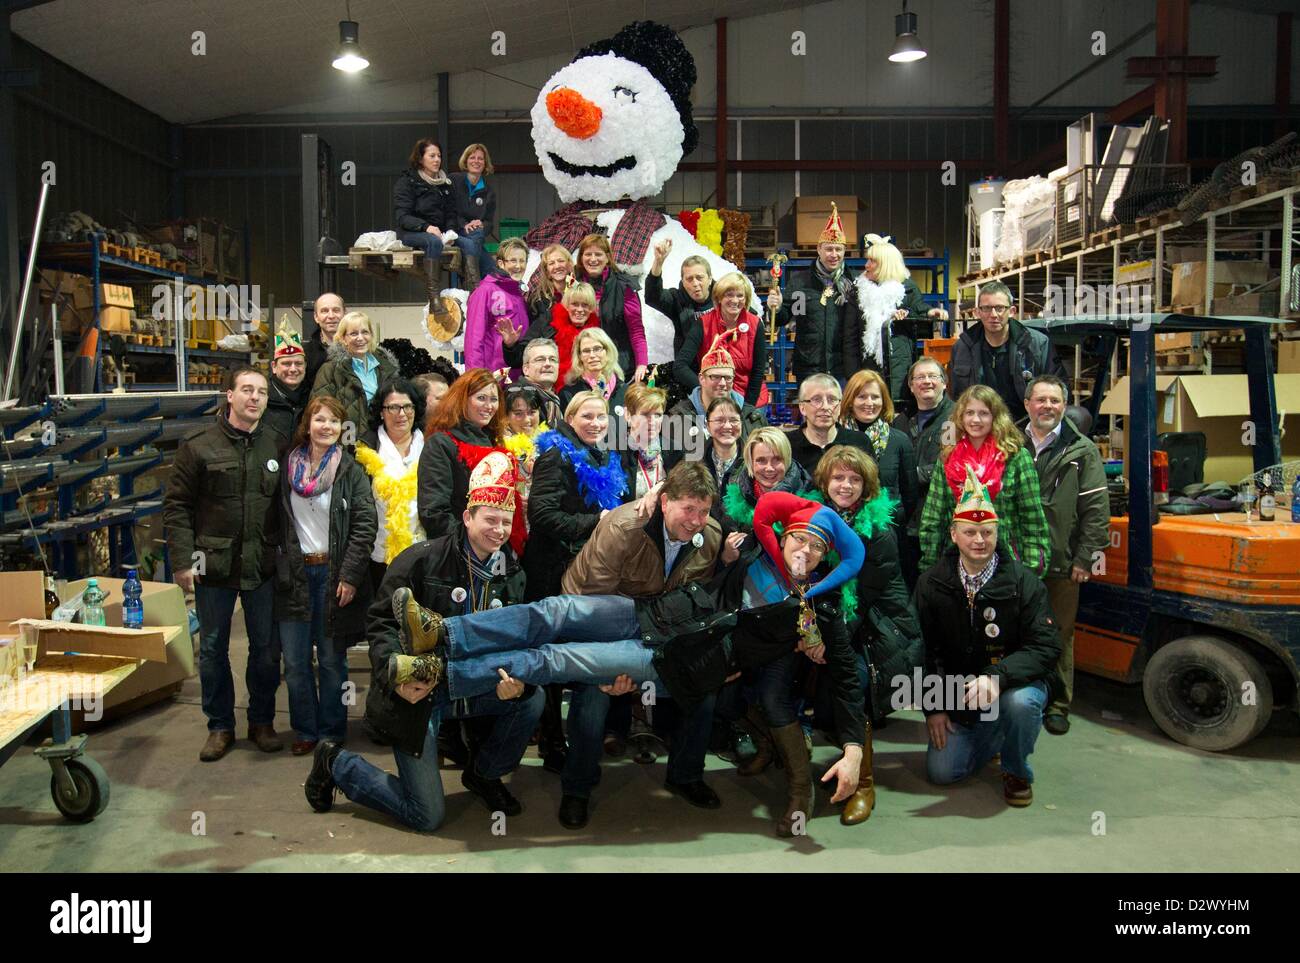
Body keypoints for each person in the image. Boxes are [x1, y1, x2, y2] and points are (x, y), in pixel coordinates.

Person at [304, 453, 546, 830]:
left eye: (505, 521)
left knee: (532, 699)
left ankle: (484, 773)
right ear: (467, 517)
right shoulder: (421, 560)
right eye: (490, 520)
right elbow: (381, 621)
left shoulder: (513, 575)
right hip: (420, 694)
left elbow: (515, 639)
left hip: (474, 685)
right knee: (426, 816)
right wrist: (397, 677)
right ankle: (337, 763)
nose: (498, 530)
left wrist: (514, 682)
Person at [554, 461, 726, 830]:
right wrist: (617, 664)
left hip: (658, 632)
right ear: (664, 502)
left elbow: (693, 603)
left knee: (702, 686)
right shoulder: (621, 528)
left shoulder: (710, 537)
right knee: (593, 695)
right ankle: (577, 788)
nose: (696, 520)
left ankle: (685, 775)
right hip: (598, 622)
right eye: (688, 509)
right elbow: (590, 606)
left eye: (704, 510)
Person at [918, 468, 1062, 807]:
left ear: (998, 533)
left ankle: (1016, 770)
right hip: (961, 697)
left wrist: (998, 677)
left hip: (1012, 684)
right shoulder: (931, 583)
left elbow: (1046, 646)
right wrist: (934, 707)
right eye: (970, 532)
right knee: (943, 773)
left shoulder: (1024, 582)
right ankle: (996, 735)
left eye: (987, 532)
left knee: (1021, 704)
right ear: (953, 534)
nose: (979, 541)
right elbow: (925, 649)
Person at [162, 366, 283, 762]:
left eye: (262, 392)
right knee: (213, 649)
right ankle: (219, 726)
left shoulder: (276, 445)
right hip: (213, 565)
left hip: (262, 565)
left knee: (265, 650)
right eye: (247, 390)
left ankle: (262, 721)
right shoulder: (198, 445)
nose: (255, 398)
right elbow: (177, 506)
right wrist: (182, 561)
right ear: (228, 395)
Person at [525, 390, 627, 774]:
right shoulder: (556, 453)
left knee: (579, 652)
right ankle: (552, 742)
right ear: (570, 417)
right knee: (551, 656)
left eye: (601, 417)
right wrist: (594, 524)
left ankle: (583, 735)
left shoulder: (603, 454)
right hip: (553, 571)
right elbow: (542, 512)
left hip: (587, 572)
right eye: (587, 416)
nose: (596, 423)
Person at [273, 397, 377, 755]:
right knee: (298, 661)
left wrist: (349, 576)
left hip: (333, 574)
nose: (327, 426)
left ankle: (332, 731)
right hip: (295, 576)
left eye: (334, 421)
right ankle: (304, 729)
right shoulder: (287, 465)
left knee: (332, 659)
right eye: (320, 419)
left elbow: (365, 525)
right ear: (308, 422)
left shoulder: (350, 470)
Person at [805, 446, 921, 738]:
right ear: (824, 483)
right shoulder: (813, 519)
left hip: (876, 624)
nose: (846, 485)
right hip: (836, 615)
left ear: (866, 486)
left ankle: (860, 760)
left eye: (855, 479)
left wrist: (825, 639)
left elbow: (861, 598)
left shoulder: (878, 532)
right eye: (838, 477)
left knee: (843, 691)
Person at [1021, 375, 1109, 735]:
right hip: (1017, 559)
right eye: (1040, 400)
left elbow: (1096, 508)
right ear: (1027, 404)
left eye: (1055, 401)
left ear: (1064, 406)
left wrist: (1085, 557)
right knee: (1015, 633)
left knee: (1059, 634)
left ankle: (1057, 704)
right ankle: (1022, 698)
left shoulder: (1082, 450)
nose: (1047, 407)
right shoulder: (1011, 443)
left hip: (1061, 561)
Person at [917, 384, 1051, 576]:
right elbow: (933, 517)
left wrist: (1031, 573)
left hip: (1007, 566)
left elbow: (1033, 520)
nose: (976, 419)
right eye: (969, 413)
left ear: (996, 417)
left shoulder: (1016, 457)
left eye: (984, 413)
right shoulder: (948, 456)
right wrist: (930, 568)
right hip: (956, 566)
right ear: (960, 418)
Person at [841, 233, 948, 403]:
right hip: (868, 370)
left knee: (899, 416)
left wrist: (927, 314)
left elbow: (918, 311)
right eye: (867, 260)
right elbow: (849, 337)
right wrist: (853, 376)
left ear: (886, 265)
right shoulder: (858, 291)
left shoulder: (907, 288)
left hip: (900, 370)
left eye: (872, 261)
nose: (866, 265)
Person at [418, 368, 507, 541]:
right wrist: (473, 542)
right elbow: (433, 513)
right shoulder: (441, 443)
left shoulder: (494, 442)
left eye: (494, 399)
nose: (489, 406)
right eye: (481, 398)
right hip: (458, 549)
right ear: (462, 400)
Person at [950, 280, 1065, 414]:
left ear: (1011, 311)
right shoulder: (963, 347)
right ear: (977, 313)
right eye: (986, 308)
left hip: (1026, 420)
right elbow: (956, 396)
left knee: (1078, 416)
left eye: (999, 308)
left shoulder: (1037, 343)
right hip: (980, 422)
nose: (993, 315)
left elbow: (1058, 385)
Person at [355, 379, 427, 591]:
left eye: (407, 406)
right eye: (393, 407)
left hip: (424, 551)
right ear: (381, 411)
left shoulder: (432, 444)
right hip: (379, 554)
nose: (401, 414)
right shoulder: (365, 448)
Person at [768, 203, 853, 382]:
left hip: (842, 368)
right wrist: (776, 306)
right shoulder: (800, 283)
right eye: (829, 249)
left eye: (839, 249)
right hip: (808, 367)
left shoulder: (852, 284)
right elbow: (784, 318)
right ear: (818, 249)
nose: (834, 254)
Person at [839, 369, 917, 537]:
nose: (869, 403)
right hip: (843, 531)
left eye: (875, 397)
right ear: (850, 400)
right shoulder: (837, 438)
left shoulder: (900, 440)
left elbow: (910, 494)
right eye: (861, 396)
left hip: (888, 532)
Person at [393, 137, 460, 331]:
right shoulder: (407, 182)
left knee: (467, 243)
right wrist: (425, 227)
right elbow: (402, 216)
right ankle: (434, 300)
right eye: (432, 155)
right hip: (412, 232)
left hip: (439, 235)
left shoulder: (444, 184)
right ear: (420, 159)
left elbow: (451, 213)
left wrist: (451, 232)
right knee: (433, 242)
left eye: (439, 155)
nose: (437, 159)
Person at [673, 271, 768, 407]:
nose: (735, 300)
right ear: (719, 298)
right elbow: (680, 366)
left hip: (750, 400)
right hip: (711, 402)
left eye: (740, 295)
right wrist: (705, 389)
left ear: (746, 299)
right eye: (729, 295)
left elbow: (758, 371)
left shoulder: (755, 324)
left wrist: (747, 408)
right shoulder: (703, 324)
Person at [310, 311, 400, 439]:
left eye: (365, 332)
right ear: (343, 338)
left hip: (383, 440)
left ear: (371, 335)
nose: (360, 338)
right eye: (353, 333)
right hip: (347, 442)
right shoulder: (330, 369)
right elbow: (318, 409)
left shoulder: (386, 368)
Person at [574, 233, 647, 383]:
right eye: (588, 254)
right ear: (581, 258)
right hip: (583, 367)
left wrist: (642, 363)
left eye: (598, 254)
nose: (593, 259)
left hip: (619, 367)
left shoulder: (623, 286)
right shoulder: (573, 285)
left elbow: (636, 330)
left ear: (608, 258)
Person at [665, 338, 766, 441]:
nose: (722, 383)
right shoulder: (678, 419)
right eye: (715, 377)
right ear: (701, 379)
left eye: (727, 378)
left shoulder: (751, 419)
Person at [504, 282, 598, 390]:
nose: (580, 310)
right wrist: (511, 346)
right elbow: (519, 359)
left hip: (583, 391)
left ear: (591, 308)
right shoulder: (547, 322)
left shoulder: (596, 331)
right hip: (549, 390)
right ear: (566, 305)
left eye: (585, 305)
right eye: (575, 304)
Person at [719, 426, 810, 532]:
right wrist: (728, 548)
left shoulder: (808, 495)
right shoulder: (732, 496)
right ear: (750, 463)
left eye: (777, 459)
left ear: (787, 460)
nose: (769, 468)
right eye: (761, 460)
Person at [785, 373, 873, 478]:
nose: (825, 407)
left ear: (840, 406)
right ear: (802, 407)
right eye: (816, 400)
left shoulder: (859, 442)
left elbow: (872, 486)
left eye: (832, 400)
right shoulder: (786, 444)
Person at [464, 238, 530, 376]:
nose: (518, 266)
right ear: (501, 263)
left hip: (517, 375)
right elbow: (474, 339)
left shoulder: (520, 292)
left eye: (522, 261)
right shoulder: (485, 291)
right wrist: (475, 377)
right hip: (493, 376)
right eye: (513, 260)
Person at [645, 238, 714, 355]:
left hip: (721, 365)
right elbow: (653, 296)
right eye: (689, 279)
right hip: (689, 366)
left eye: (700, 277)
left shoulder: (723, 296)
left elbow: (749, 316)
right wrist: (658, 262)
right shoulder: (677, 300)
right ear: (683, 281)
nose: (695, 283)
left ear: (710, 279)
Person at [616, 383, 683, 501]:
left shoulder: (674, 450)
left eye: (658, 415)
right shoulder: (615, 452)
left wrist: (661, 487)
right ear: (628, 415)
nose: (652, 421)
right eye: (645, 414)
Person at [449, 142, 497, 289]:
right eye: (472, 157)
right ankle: (475, 287)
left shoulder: (489, 191)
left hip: (475, 236)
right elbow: (448, 210)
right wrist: (464, 224)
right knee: (492, 271)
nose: (476, 161)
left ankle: (472, 286)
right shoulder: (454, 180)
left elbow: (489, 222)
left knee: (476, 236)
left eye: (480, 158)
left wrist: (482, 224)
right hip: (455, 233)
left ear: (485, 163)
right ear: (466, 160)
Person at [501, 383, 550, 527]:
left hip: (544, 522)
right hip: (510, 523)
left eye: (532, 412)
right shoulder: (497, 448)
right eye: (518, 413)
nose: (527, 420)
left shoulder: (551, 443)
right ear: (506, 416)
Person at [263, 323, 310, 455]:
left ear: (305, 365)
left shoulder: (312, 398)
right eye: (286, 364)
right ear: (274, 366)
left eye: (298, 363)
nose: (293, 369)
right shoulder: (261, 400)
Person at [558, 326, 626, 414]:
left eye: (597, 349)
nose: (592, 355)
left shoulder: (625, 390)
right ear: (579, 356)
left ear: (608, 351)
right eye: (586, 351)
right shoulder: (568, 393)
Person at [701, 396, 747, 494]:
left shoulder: (753, 461)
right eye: (719, 420)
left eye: (733, 420)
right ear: (707, 426)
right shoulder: (695, 462)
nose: (727, 426)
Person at [515, 338, 564, 426]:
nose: (548, 364)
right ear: (525, 369)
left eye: (553, 360)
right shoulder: (517, 397)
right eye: (540, 359)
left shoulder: (560, 398)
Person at [525, 243, 574, 325]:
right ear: (547, 271)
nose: (557, 266)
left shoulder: (581, 291)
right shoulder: (537, 299)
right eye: (551, 263)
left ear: (569, 265)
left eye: (561, 261)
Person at [304, 293, 345, 388]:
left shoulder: (357, 350)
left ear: (344, 313)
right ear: (316, 317)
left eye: (336, 310)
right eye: (324, 311)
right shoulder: (306, 353)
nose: (331, 316)